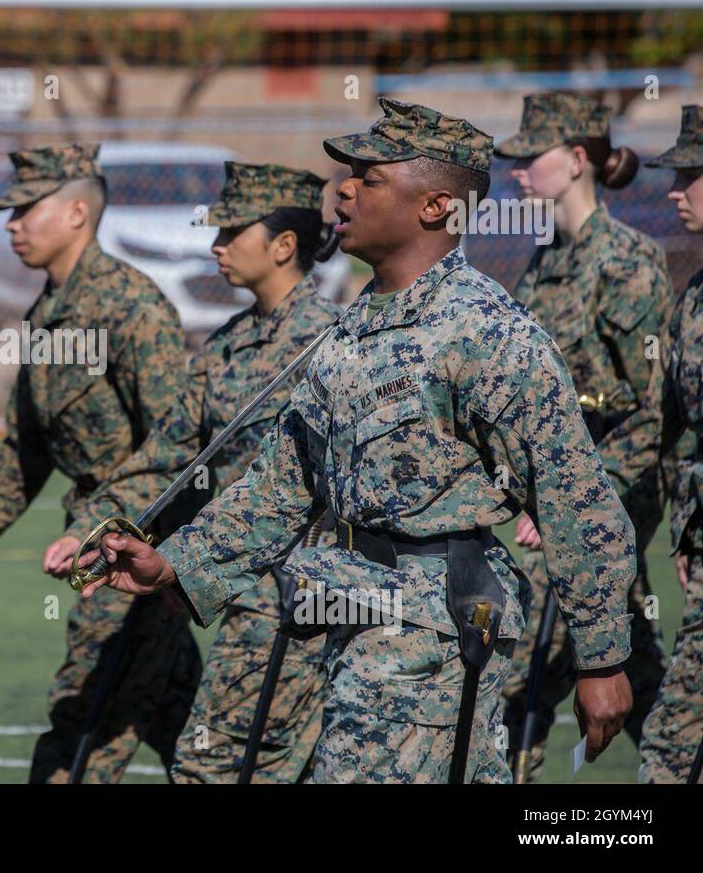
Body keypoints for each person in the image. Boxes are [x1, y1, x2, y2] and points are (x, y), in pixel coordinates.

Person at [77, 97, 636, 783]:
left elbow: (574, 496)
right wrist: (175, 564)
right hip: (355, 617)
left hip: (437, 636)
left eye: (368, 178)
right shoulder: (349, 333)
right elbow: (279, 487)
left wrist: (602, 659)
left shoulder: (487, 333)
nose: (342, 189)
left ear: (434, 207)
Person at [51, 161, 341, 782]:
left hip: (294, 594)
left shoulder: (331, 343)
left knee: (215, 767)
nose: (216, 246)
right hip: (223, 577)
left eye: (233, 232)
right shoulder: (229, 342)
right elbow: (166, 458)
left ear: (284, 245)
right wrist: (92, 530)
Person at [0, 143, 199, 783]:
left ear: (77, 213)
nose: (11, 224)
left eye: (26, 210)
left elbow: (176, 450)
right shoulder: (47, 312)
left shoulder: (132, 307)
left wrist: (101, 529)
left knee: (82, 728)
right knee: (196, 736)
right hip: (100, 548)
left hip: (128, 554)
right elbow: (24, 452)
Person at [496, 91, 671, 781]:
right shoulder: (548, 259)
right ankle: (679, 755)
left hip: (607, 490)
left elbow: (650, 413)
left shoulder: (626, 262)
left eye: (527, 157)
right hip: (552, 493)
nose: (514, 171)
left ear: (574, 162)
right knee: (636, 658)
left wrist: (567, 498)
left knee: (523, 670)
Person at [638, 104, 703, 782]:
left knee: (672, 746)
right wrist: (686, 531)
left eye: (690, 174)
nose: (674, 190)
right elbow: (678, 430)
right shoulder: (695, 298)